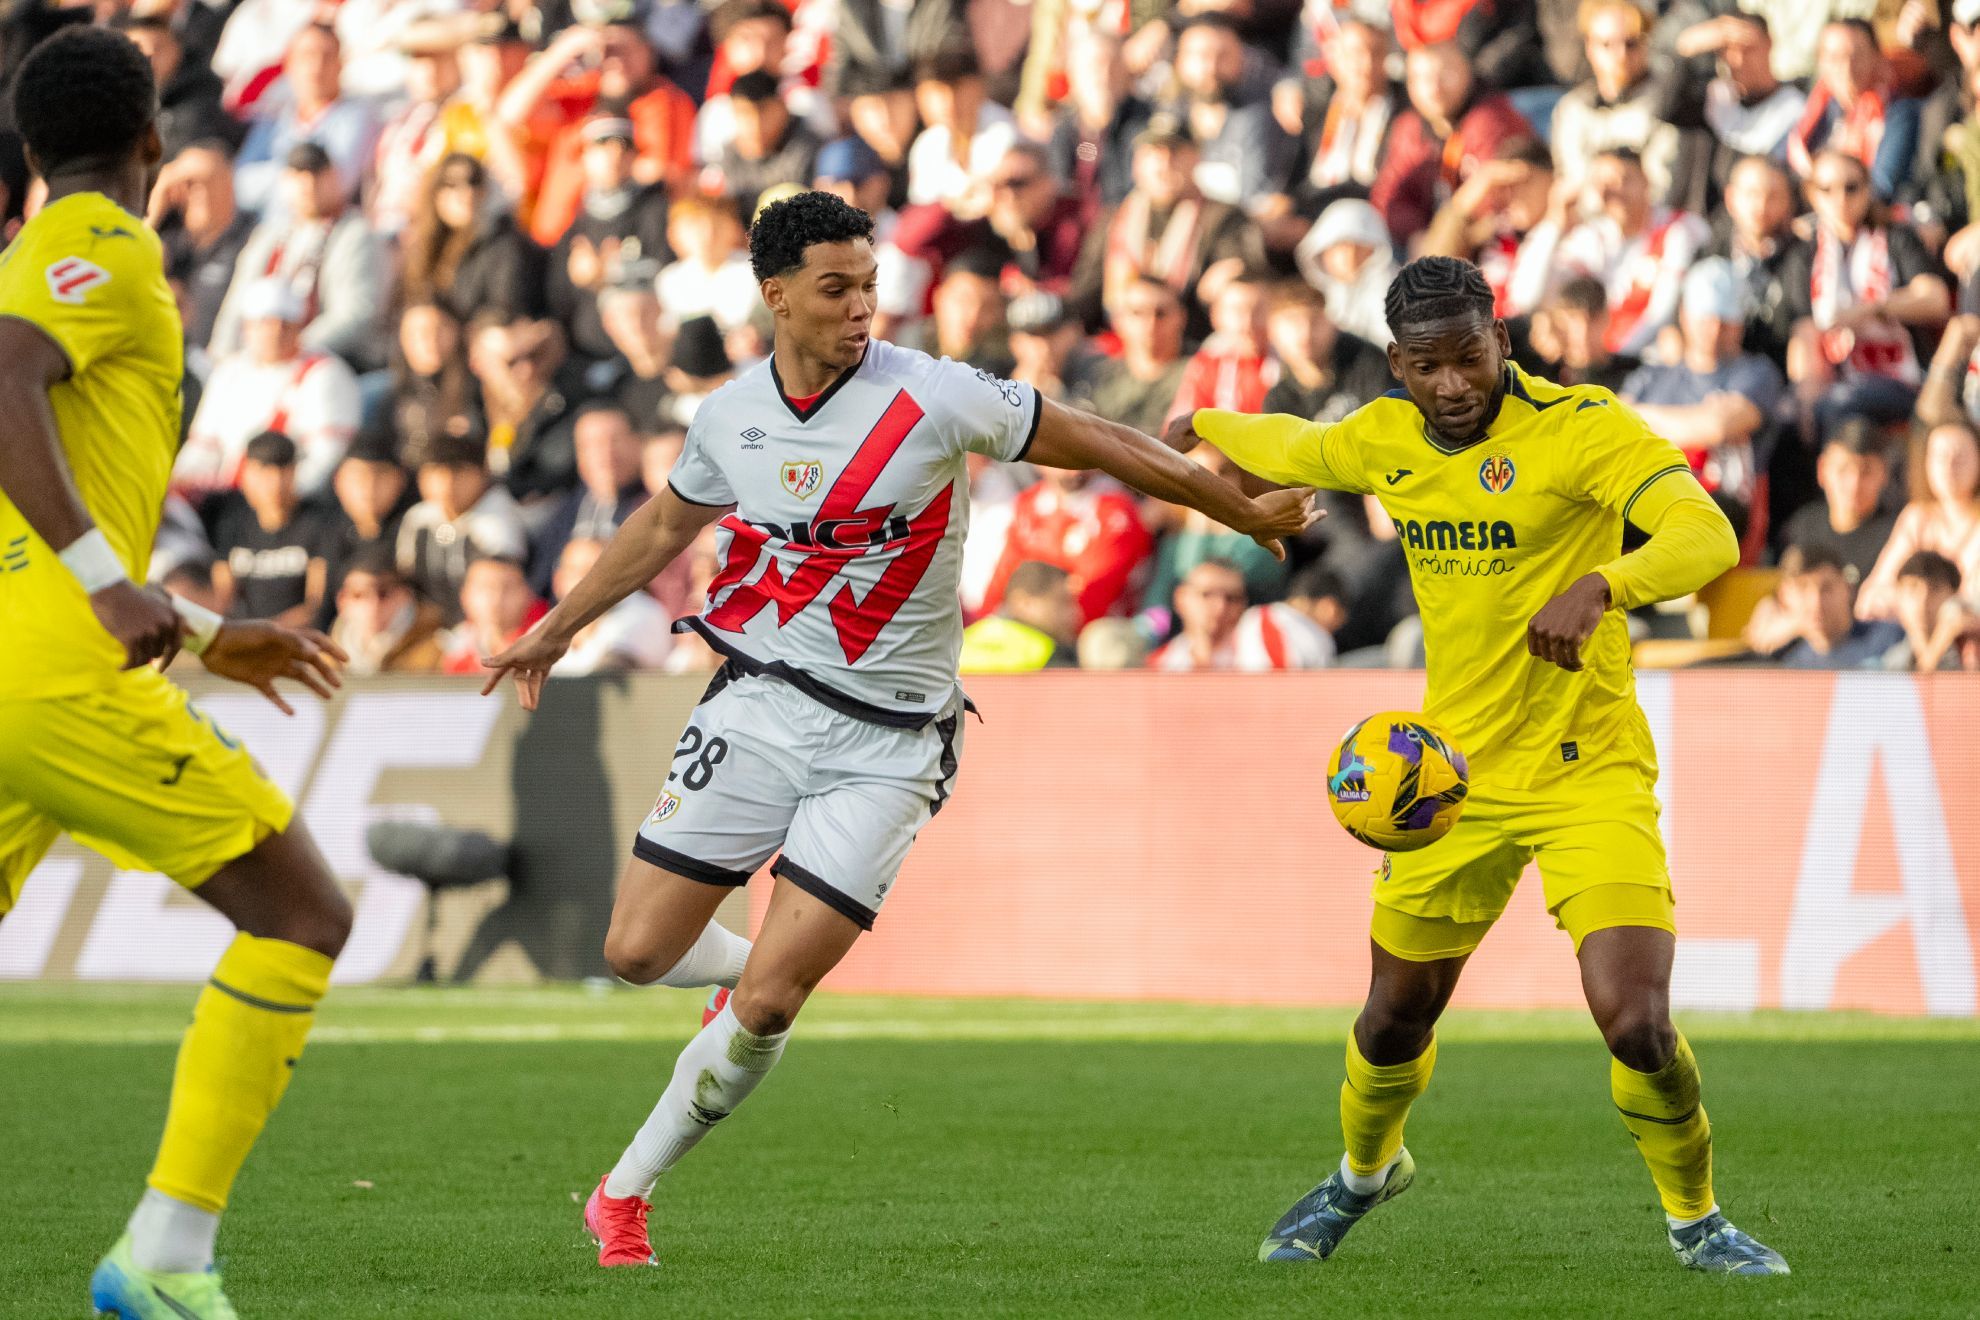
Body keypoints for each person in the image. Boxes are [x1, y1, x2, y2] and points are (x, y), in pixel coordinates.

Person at [479, 190, 1314, 1268]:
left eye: (870, 287)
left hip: (893, 741)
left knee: (776, 1000)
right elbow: (659, 527)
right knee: (637, 951)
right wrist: (552, 629)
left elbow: (1097, 439)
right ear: (775, 297)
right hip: (762, 704)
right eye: (835, 291)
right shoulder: (732, 416)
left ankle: (624, 1194)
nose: (861, 309)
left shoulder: (933, 396)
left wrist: (1230, 507)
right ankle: (734, 971)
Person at [1167, 255, 1786, 1275]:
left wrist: (1605, 583)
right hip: (1446, 783)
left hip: (1589, 772)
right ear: (1399, 365)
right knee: (1391, 1016)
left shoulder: (1584, 427)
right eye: (1426, 365)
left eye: (1469, 357)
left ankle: (1698, 1217)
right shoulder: (1388, 437)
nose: (1452, 384)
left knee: (1636, 1020)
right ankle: (1364, 1177)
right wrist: (1208, 427)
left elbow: (1704, 532)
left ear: (1503, 340)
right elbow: (1305, 446)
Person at [0, 29, 351, 1319]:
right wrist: (109, 582)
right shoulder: (104, 241)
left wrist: (205, 634)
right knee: (304, 915)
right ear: (155, 144)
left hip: (23, 665)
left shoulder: (41, 252)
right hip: (60, 683)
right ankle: (166, 1258)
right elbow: (0, 381)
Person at [1620, 259, 1787, 552]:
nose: (1714, 330)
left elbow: (1717, 426)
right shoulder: (1652, 377)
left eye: (1725, 321)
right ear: (1685, 315)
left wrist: (1641, 418)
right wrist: (1696, 421)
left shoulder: (1758, 373)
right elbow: (1615, 426)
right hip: (1653, 506)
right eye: (1705, 319)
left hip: (1725, 515)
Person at [209, 141, 389, 370]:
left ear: (335, 177)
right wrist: (221, 357)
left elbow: (356, 313)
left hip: (337, 363)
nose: (309, 185)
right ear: (284, 182)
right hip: (261, 362)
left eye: (317, 175)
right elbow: (238, 304)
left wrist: (290, 351)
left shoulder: (357, 234)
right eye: (299, 176)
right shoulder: (269, 235)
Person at [177, 280, 363, 498]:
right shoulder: (229, 372)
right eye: (265, 323)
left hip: (292, 504)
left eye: (285, 324)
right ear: (247, 328)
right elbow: (203, 449)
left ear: (299, 327)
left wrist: (275, 495)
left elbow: (325, 459)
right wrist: (179, 485)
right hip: (228, 499)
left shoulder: (324, 374)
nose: (275, 332)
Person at [396, 429, 530, 624]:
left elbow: (502, 598)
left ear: (483, 474)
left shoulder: (498, 523)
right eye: (436, 473)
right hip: (428, 629)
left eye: (459, 473)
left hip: (486, 630)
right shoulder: (418, 519)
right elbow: (406, 581)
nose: (447, 484)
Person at [205, 430, 333, 625]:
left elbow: (315, 605)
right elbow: (222, 599)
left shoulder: (317, 521)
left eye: (283, 472)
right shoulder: (232, 522)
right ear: (248, 474)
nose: (275, 484)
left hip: (298, 640)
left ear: (294, 471)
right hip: (243, 638)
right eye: (265, 473)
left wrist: (268, 632)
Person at [1856, 422, 1980, 619]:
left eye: (1960, 457)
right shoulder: (1917, 517)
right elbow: (1872, 598)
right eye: (1940, 457)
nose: (1949, 467)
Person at [1146, 557, 1334, 671]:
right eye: (1207, 594)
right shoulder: (1161, 663)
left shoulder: (1261, 632)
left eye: (1231, 598)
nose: (1220, 606)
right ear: (1181, 598)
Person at [1779, 417, 1898, 585]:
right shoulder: (1802, 527)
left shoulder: (1896, 535)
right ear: (1822, 470)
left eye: (1866, 472)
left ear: (1884, 474)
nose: (1854, 484)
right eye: (1843, 469)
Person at [1765, 543, 1903, 667]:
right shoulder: (1786, 665)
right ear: (1784, 597)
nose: (1816, 601)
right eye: (1802, 589)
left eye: (1827, 588)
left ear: (1848, 589)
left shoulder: (1892, 641)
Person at [328, 543, 448, 675]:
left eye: (383, 593)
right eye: (359, 594)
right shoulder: (325, 659)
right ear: (341, 600)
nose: (373, 605)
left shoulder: (439, 651)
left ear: (405, 595)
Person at [959, 559, 1081, 671]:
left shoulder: (962, 643)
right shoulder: (1049, 654)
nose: (1075, 613)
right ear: (1023, 602)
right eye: (1062, 602)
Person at [1886, 550, 1980, 670]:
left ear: (1954, 596)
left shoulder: (1970, 648)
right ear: (1898, 595)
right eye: (1912, 587)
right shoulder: (1889, 660)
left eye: (1935, 589)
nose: (1923, 601)